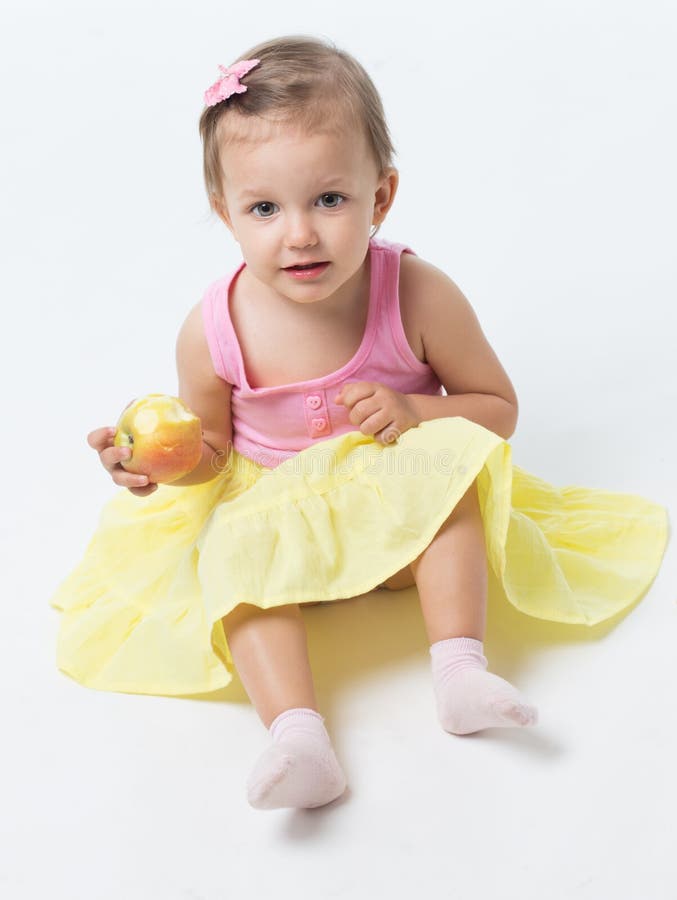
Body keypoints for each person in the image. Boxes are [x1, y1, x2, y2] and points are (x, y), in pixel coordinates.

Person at [50, 35, 669, 812]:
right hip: (283, 526)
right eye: (265, 208)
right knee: (230, 564)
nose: (300, 233)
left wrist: (416, 410)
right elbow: (211, 452)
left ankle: (459, 671)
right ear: (225, 212)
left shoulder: (415, 293)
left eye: (329, 200)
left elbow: (496, 411)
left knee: (452, 495)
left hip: (394, 521)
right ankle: (298, 736)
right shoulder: (211, 329)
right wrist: (164, 465)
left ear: (380, 196)